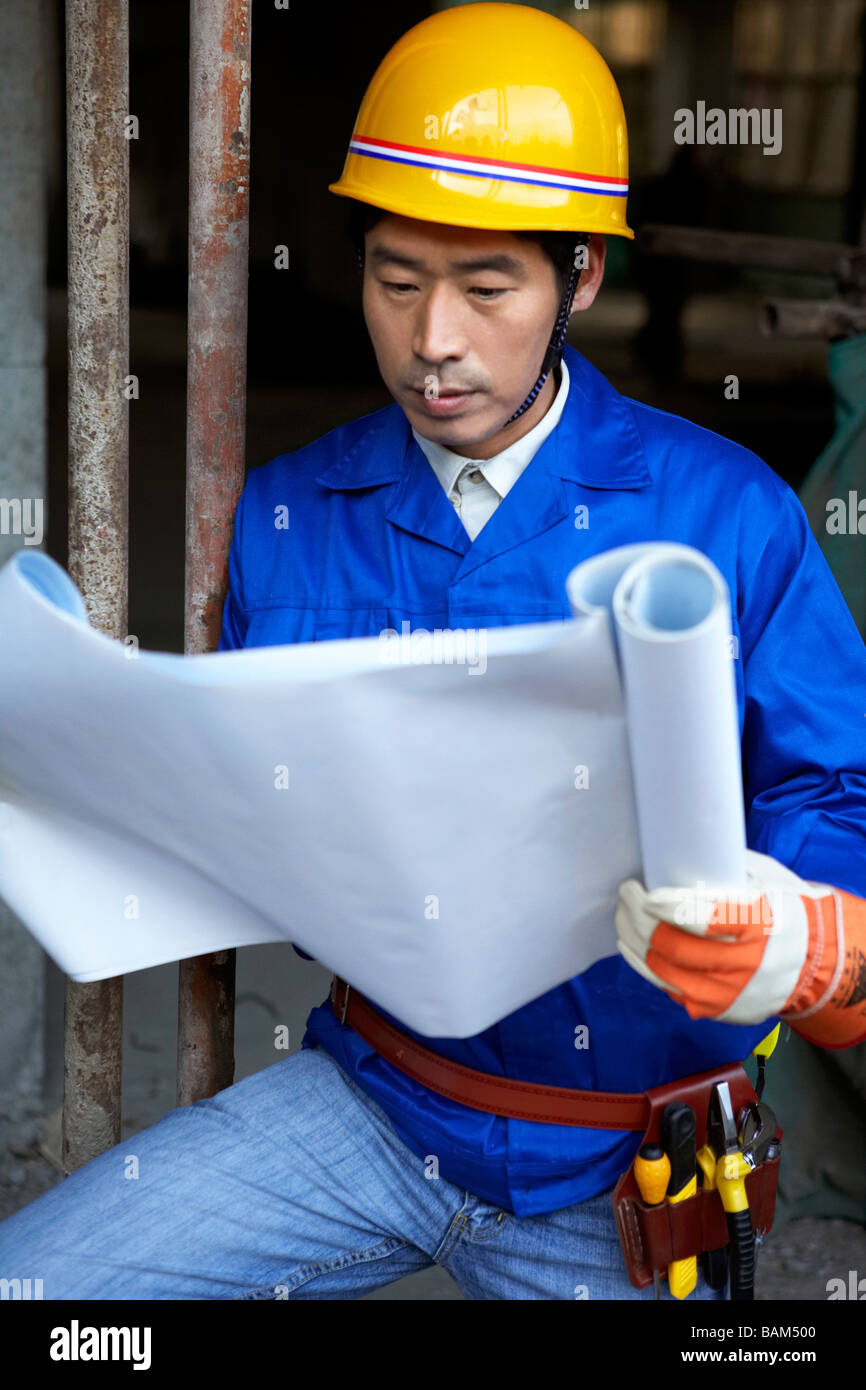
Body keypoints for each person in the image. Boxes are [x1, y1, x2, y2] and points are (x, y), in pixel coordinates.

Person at [2, 2, 865, 1302]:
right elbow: (243, 791)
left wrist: (797, 932)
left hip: (630, 1158)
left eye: (485, 284)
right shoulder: (291, 513)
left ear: (579, 279)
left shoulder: (726, 513)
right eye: (396, 280)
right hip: (372, 1103)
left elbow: (834, 786)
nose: (432, 341)